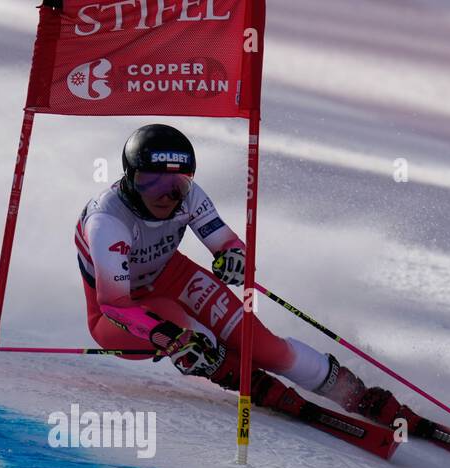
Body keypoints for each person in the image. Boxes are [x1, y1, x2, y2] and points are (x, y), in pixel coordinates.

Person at [75, 123, 420, 431]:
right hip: (117, 315)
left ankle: (353, 392)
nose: (167, 196)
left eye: (177, 184)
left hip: (171, 273)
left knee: (262, 345)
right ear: (129, 178)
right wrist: (169, 338)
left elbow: (227, 243)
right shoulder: (108, 222)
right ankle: (245, 379)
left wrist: (235, 259)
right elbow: (114, 304)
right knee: (190, 333)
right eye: (151, 183)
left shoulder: (190, 197)